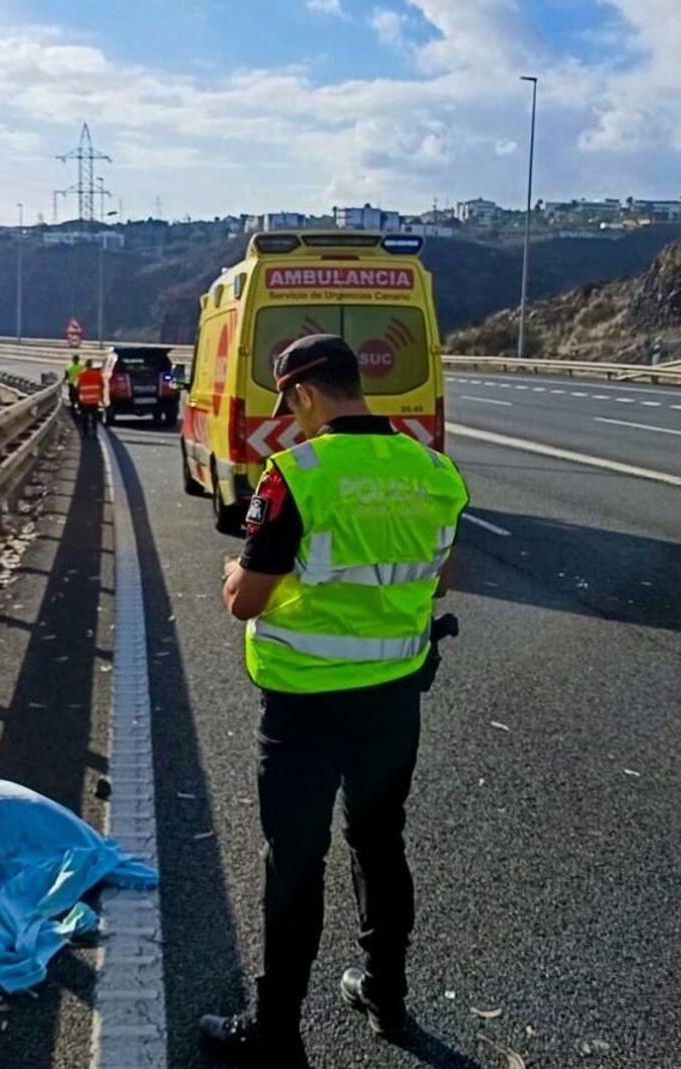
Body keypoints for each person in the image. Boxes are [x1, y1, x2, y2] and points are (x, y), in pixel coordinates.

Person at [199, 334, 469, 1066]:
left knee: (296, 858)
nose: (291, 416)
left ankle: (277, 1031)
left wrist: (233, 571)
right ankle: (385, 993)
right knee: (380, 843)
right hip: (392, 698)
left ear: (308, 392)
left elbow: (245, 599)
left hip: (304, 707)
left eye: (290, 402)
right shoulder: (433, 470)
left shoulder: (297, 475)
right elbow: (438, 580)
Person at [74, 359, 105, 437]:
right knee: (94, 417)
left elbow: (76, 386)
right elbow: (102, 385)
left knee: (85, 417)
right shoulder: (97, 374)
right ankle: (94, 432)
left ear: (85, 365)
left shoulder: (81, 374)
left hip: (84, 400)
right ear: (92, 365)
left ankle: (85, 433)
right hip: (95, 400)